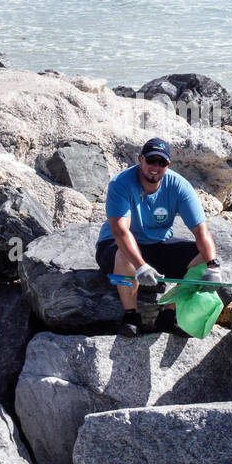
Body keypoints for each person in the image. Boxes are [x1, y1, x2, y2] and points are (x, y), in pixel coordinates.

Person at [96, 138, 222, 337]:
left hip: (157, 244)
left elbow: (201, 232)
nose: (155, 167)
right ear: (140, 160)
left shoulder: (179, 186)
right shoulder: (121, 184)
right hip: (115, 246)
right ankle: (131, 316)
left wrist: (213, 266)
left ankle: (168, 314)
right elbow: (121, 231)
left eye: (161, 163)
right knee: (124, 254)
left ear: (168, 165)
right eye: (151, 161)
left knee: (203, 255)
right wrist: (140, 266)